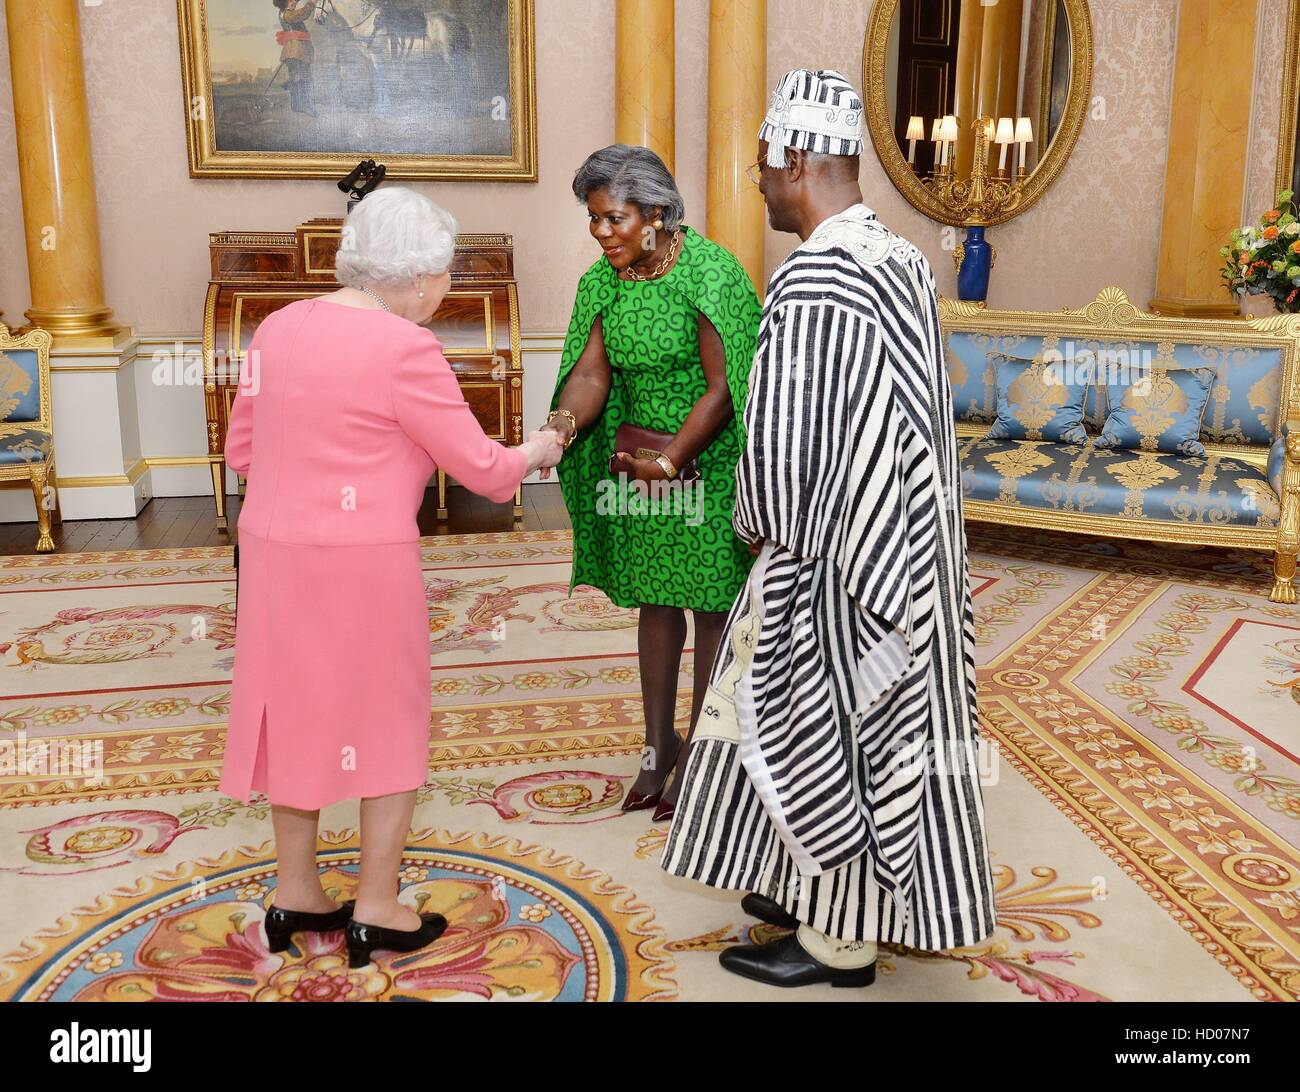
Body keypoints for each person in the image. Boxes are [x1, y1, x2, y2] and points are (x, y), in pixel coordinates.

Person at [661, 70, 997, 988]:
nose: (758, 184)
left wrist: (761, 530)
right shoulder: (897, 257)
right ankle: (803, 889)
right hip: (905, 546)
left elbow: (792, 439)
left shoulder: (816, 275)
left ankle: (839, 941)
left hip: (838, 555)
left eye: (763, 167)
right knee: (871, 727)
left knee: (824, 726)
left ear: (795, 158)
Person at [220, 186, 563, 969]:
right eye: (443, 275)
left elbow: (243, 451)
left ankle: (297, 895)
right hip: (362, 562)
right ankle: (376, 907)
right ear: (413, 279)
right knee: (386, 716)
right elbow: (486, 470)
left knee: (295, 712)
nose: (444, 290)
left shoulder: (277, 326)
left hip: (273, 554)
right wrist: (539, 448)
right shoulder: (405, 350)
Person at [541, 145, 761, 822]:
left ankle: (708, 752)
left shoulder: (710, 273)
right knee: (656, 605)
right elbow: (591, 375)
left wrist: (671, 462)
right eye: (594, 219)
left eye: (614, 218)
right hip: (637, 468)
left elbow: (726, 389)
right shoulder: (603, 282)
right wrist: (560, 430)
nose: (601, 232)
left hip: (705, 462)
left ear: (657, 214)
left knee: (712, 609)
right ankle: (656, 748)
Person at [273, 0, 317, 117]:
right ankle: (304, 106)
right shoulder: (287, 14)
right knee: (303, 78)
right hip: (296, 52)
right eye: (291, 2)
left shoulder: (286, 12)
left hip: (297, 52)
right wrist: (311, 3)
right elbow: (302, 14)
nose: (294, 3)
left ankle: (297, 105)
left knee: (298, 78)